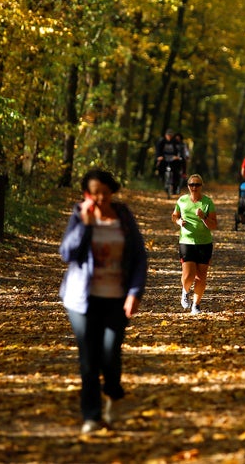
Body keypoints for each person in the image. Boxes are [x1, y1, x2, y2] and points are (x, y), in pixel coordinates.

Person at [59, 169, 148, 434]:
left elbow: (140, 257)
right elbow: (67, 253)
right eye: (93, 192)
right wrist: (85, 225)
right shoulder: (79, 216)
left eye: (104, 191)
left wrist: (134, 293)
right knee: (89, 359)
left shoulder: (122, 215)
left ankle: (112, 394)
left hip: (117, 297)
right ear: (86, 194)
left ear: (111, 191)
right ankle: (92, 416)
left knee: (110, 354)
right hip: (81, 300)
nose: (99, 197)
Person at [171, 173, 217, 315]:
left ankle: (196, 305)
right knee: (189, 274)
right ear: (188, 186)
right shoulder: (182, 200)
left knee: (201, 276)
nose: (194, 187)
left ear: (201, 186)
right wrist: (179, 222)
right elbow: (174, 216)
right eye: (191, 184)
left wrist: (203, 217)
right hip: (186, 241)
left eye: (197, 185)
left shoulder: (207, 202)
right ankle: (185, 292)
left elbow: (214, 225)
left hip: (204, 242)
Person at [154, 129, 184, 195]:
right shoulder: (161, 141)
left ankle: (174, 187)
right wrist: (159, 157)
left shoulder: (175, 142)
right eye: (168, 135)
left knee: (176, 170)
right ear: (165, 135)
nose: (169, 137)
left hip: (173, 158)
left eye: (170, 135)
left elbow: (179, 150)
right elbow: (158, 150)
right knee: (160, 167)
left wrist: (178, 156)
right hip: (164, 158)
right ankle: (162, 179)